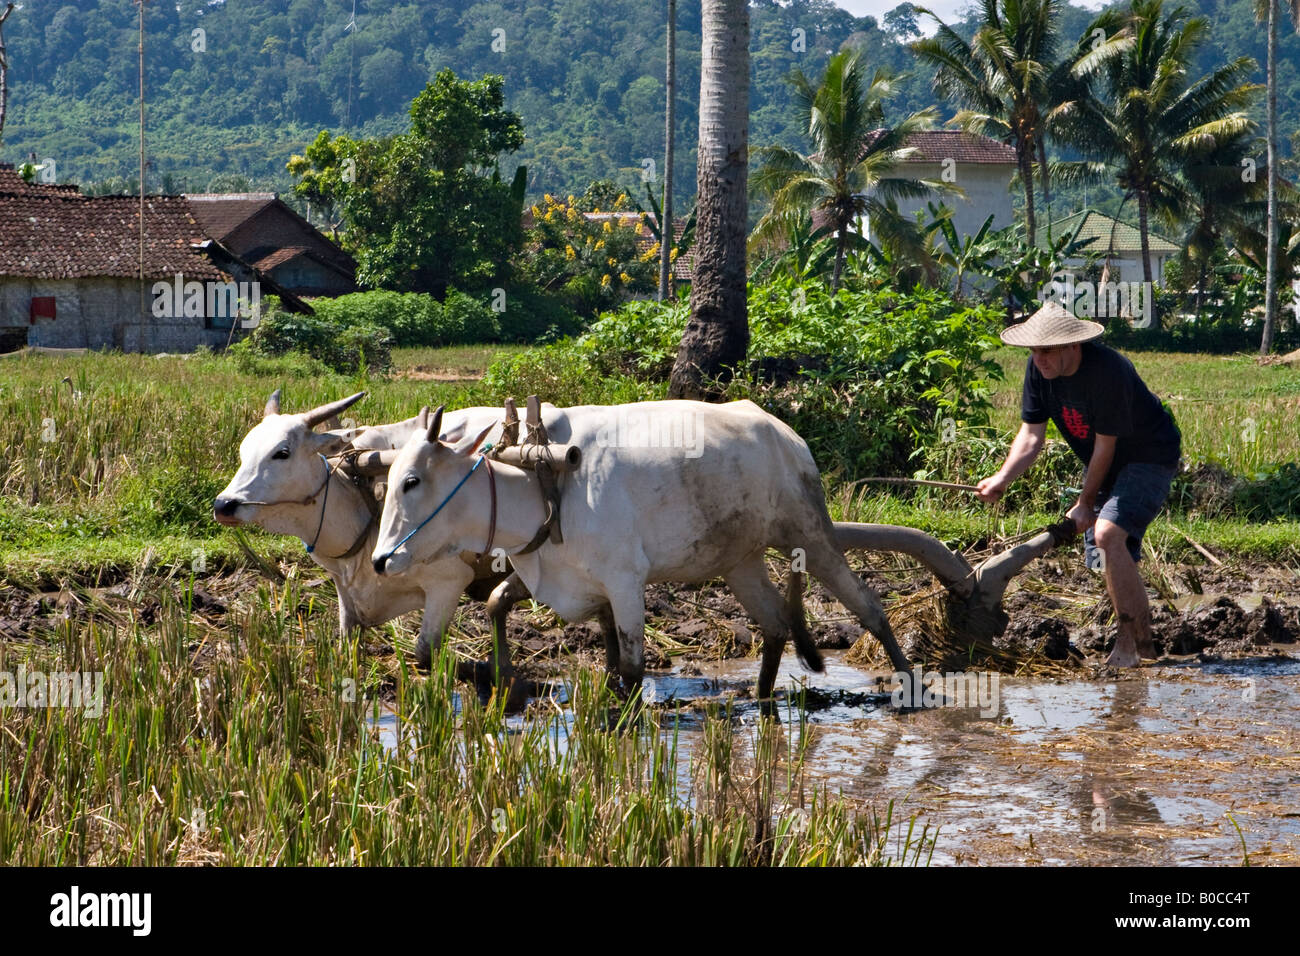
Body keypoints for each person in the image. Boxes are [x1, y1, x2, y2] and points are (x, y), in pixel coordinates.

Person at [975, 302, 1181, 667]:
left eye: (1047, 350)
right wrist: (1001, 479)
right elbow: (1030, 436)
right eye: (1034, 350)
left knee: (1107, 535)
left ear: (1074, 346)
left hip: (1149, 454)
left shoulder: (1108, 370)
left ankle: (1128, 645)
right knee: (1108, 555)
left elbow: (1106, 444)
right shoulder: (1039, 370)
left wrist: (1086, 503)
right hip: (1106, 463)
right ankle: (1145, 645)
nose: (1039, 359)